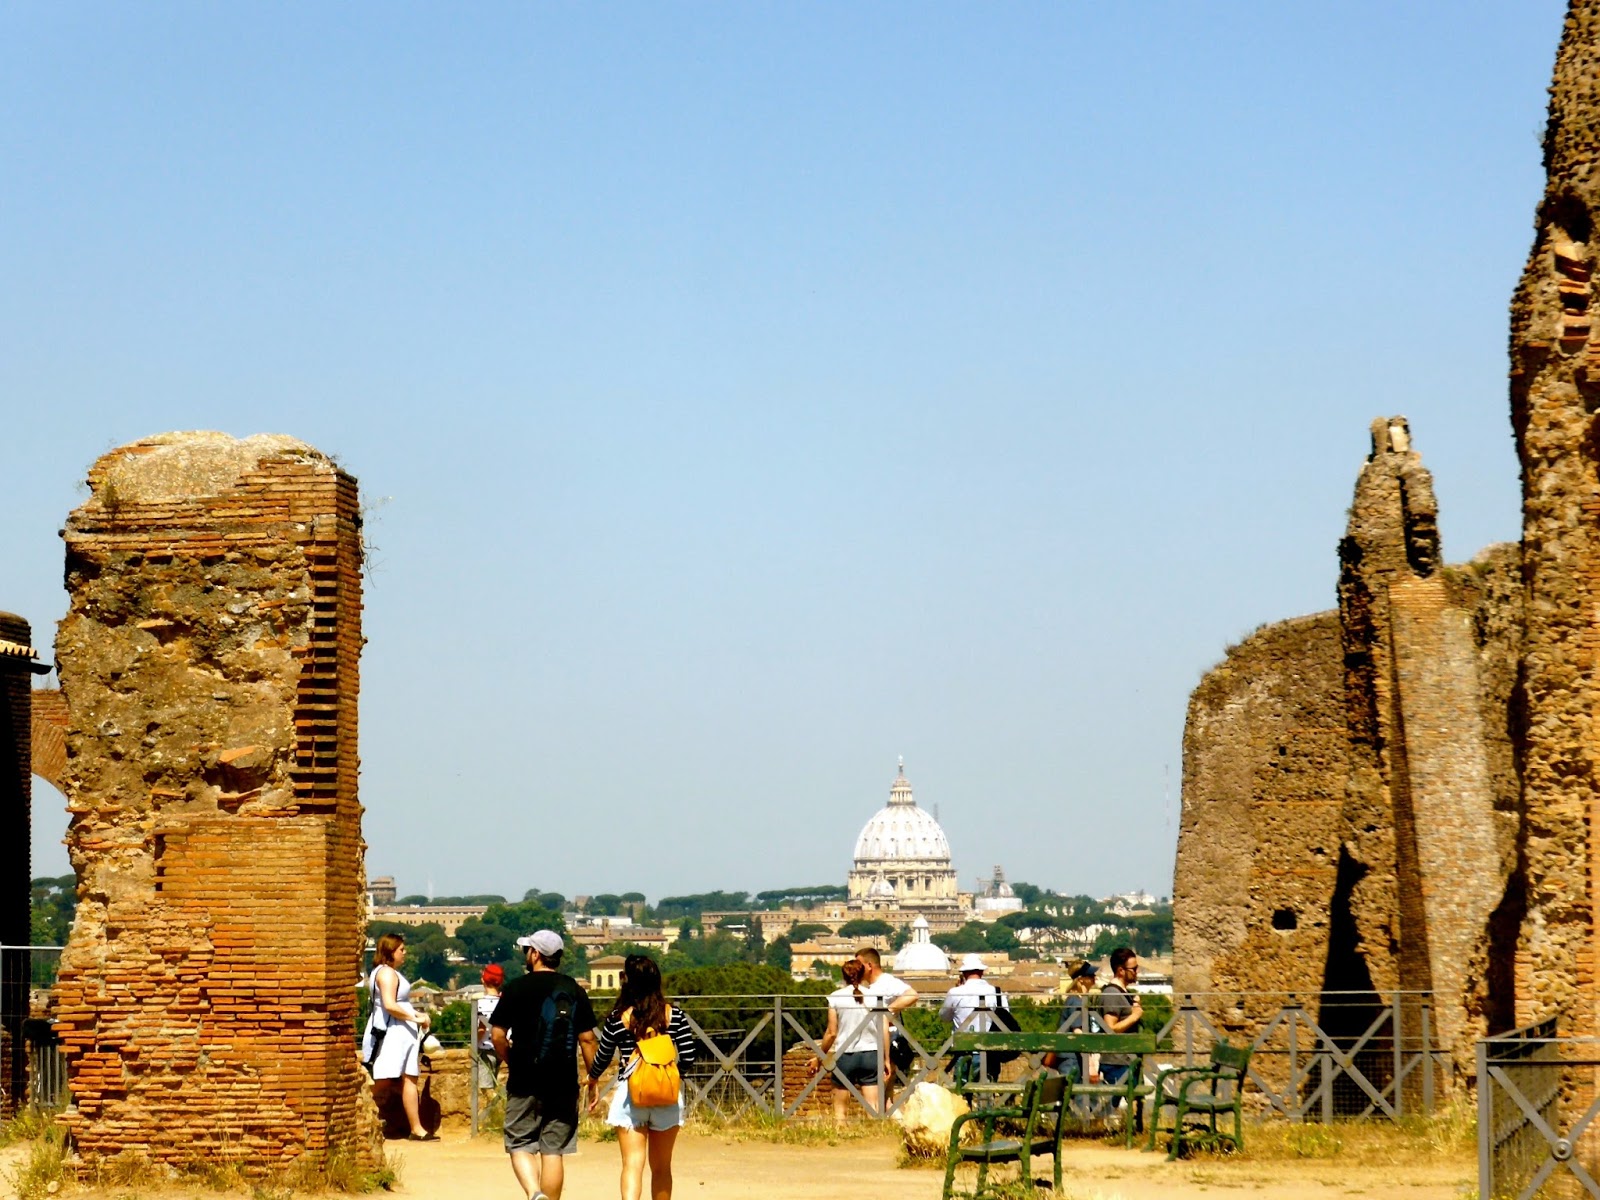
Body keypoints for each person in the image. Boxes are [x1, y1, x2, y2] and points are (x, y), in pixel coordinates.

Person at [490, 930, 600, 1200]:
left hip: (524, 1078)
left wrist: (511, 1059)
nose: (525, 955)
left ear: (536, 954)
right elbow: (587, 1039)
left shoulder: (516, 987)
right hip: (563, 1081)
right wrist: (593, 1077)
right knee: (554, 1150)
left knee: (520, 1142)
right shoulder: (573, 988)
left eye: (527, 950)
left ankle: (533, 1193)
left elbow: (497, 1036)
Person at [587, 954, 697, 1200]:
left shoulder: (618, 1018)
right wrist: (669, 1073)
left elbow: (603, 1056)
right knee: (661, 1168)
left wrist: (592, 1079)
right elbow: (689, 1055)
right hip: (666, 1093)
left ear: (626, 981)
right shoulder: (674, 1015)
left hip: (630, 1092)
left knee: (632, 1166)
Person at [363, 931, 434, 1140]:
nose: (405, 953)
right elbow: (390, 1004)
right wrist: (416, 1019)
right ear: (390, 951)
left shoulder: (387, 972)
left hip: (400, 1031)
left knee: (409, 1077)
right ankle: (355, 1105)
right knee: (384, 1077)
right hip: (391, 1032)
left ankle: (417, 1128)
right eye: (401, 949)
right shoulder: (386, 973)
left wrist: (416, 1015)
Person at [812, 959, 883, 1121]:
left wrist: (819, 1056)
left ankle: (841, 1134)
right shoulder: (875, 997)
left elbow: (831, 1033)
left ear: (843, 976)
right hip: (871, 1053)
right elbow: (883, 1028)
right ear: (863, 973)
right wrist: (885, 1057)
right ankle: (875, 1138)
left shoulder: (835, 998)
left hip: (845, 1054)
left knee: (840, 1110)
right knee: (872, 1107)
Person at [939, 953, 1009, 1083]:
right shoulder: (997, 993)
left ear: (964, 974)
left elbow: (944, 1017)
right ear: (982, 972)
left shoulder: (955, 993)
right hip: (991, 1051)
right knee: (988, 1090)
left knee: (961, 1091)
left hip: (963, 1050)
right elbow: (1006, 1017)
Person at [855, 946, 917, 1092]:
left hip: (887, 1041)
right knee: (881, 1093)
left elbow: (912, 995)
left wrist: (886, 1012)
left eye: (859, 964)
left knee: (881, 1090)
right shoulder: (870, 987)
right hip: (875, 1041)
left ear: (869, 966)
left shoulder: (887, 981)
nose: (857, 968)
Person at [1044, 959, 1106, 1085]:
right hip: (1071, 1058)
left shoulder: (1077, 1000)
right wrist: (1091, 1064)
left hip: (1073, 1056)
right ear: (1081, 979)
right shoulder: (1076, 1002)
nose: (1094, 977)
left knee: (1074, 1097)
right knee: (1072, 1096)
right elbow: (1078, 1032)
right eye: (1090, 975)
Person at [1098, 947, 1144, 1094]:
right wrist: (1135, 1016)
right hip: (1116, 1063)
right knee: (1113, 1109)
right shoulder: (1112, 994)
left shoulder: (1122, 993)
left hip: (1125, 1060)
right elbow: (1111, 1028)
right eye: (1134, 969)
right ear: (1121, 971)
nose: (1137, 972)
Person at [474, 963, 505, 1091]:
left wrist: (473, 1045)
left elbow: (481, 1029)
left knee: (486, 1089)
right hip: (503, 1049)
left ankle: (492, 1110)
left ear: (483, 980)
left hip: (486, 1049)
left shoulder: (480, 1003)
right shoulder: (505, 1002)